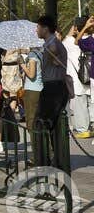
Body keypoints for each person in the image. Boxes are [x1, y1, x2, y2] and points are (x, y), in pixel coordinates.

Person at [35, 15, 71, 168]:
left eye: (38, 27)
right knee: (53, 127)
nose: (36, 30)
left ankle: (45, 162)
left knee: (41, 123)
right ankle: (56, 161)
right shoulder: (49, 44)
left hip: (54, 88)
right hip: (52, 87)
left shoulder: (53, 43)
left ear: (45, 28)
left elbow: (55, 51)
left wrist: (51, 53)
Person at [67, 18, 92, 140]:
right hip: (90, 77)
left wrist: (76, 30)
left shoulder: (70, 43)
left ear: (76, 28)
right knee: (91, 103)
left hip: (79, 80)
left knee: (80, 105)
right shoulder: (91, 39)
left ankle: (83, 129)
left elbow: (72, 40)